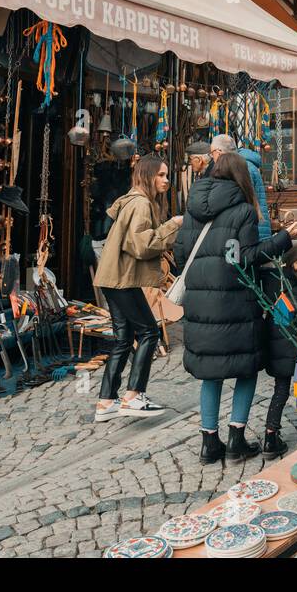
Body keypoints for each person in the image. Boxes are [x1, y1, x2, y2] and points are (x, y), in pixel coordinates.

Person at [175, 153, 297, 464]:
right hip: (235, 302)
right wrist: (285, 238)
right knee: (245, 368)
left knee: (211, 373)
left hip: (201, 303)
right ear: (242, 178)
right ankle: (236, 439)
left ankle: (209, 443)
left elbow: (181, 254)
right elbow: (247, 257)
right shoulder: (243, 211)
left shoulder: (192, 210)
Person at [92, 156, 181, 422]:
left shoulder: (132, 200)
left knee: (122, 338)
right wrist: (172, 225)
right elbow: (141, 245)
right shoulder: (141, 204)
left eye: (167, 175)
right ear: (148, 175)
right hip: (123, 279)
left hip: (111, 278)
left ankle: (106, 401)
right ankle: (133, 396)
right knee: (149, 332)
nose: (166, 180)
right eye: (161, 175)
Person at [260, 240, 297, 457]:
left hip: (280, 348)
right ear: (288, 264)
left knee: (282, 389)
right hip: (295, 347)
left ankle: (270, 435)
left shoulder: (277, 283)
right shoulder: (293, 287)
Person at [211, 133, 271, 239]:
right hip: (255, 227)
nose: (212, 157)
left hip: (253, 231)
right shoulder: (244, 164)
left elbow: (243, 202)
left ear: (219, 152)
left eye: (212, 153)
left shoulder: (241, 167)